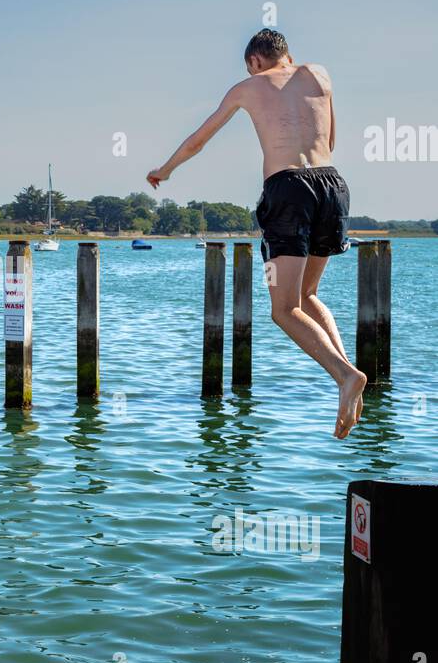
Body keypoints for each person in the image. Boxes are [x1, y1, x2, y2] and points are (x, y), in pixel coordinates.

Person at [147, 30, 365, 438]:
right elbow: (331, 140)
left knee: (283, 310)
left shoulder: (246, 87)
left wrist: (166, 169)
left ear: (253, 62)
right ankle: (347, 373)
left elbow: (198, 141)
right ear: (287, 55)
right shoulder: (319, 74)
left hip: (288, 191)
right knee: (309, 295)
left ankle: (345, 376)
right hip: (333, 186)